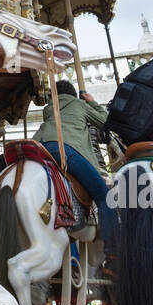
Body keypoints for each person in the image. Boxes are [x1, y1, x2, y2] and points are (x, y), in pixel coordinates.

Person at [34, 80, 117, 249]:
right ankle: (113, 249)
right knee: (103, 195)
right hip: (65, 150)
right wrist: (91, 102)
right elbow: (106, 121)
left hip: (41, 147)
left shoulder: (49, 108)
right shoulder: (79, 104)